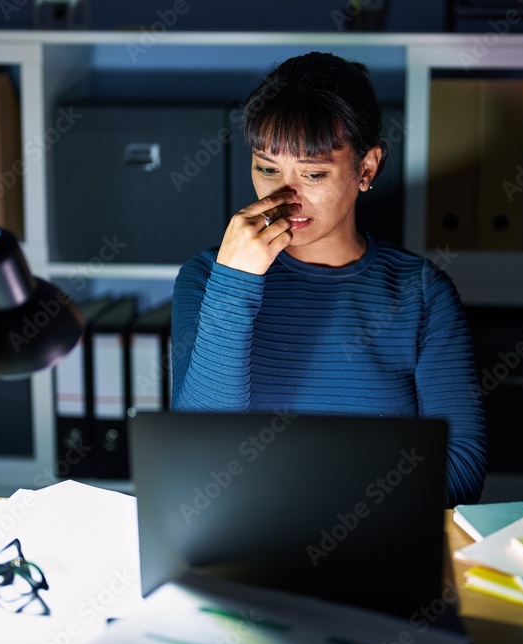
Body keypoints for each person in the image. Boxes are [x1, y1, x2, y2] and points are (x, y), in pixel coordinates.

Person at [170, 52, 486, 506]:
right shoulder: (206, 279)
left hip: (375, 546)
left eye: (313, 174)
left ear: (367, 169)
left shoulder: (422, 294)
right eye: (266, 168)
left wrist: (325, 514)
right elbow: (193, 458)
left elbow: (461, 469)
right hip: (245, 547)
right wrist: (233, 285)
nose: (285, 197)